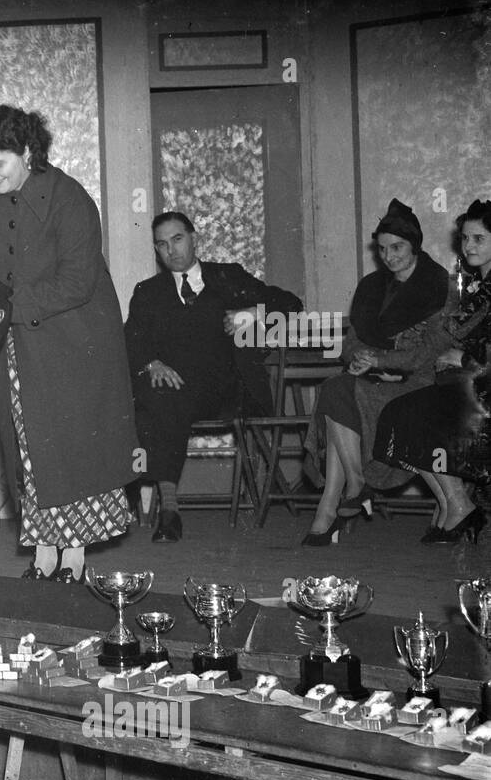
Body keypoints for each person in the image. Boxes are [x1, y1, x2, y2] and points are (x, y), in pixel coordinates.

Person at [0, 104, 136, 579]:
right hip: (15, 346)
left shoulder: (70, 199)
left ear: (28, 153)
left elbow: (77, 283)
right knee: (26, 447)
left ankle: (74, 557)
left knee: (71, 449)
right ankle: (43, 553)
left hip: (75, 345)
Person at [124, 211, 303, 542]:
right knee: (158, 393)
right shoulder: (147, 292)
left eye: (178, 239)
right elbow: (131, 341)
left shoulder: (228, 277)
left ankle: (145, 495)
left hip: (225, 392)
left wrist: (253, 313)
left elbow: (292, 303)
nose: (171, 250)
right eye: (162, 244)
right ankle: (170, 510)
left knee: (156, 404)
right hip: (173, 393)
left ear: (195, 239)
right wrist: (152, 364)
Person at [301, 199, 449, 545]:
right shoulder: (372, 286)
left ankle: (332, 505)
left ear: (415, 245)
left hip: (420, 383)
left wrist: (380, 362)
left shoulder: (437, 285)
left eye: (397, 247)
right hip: (372, 379)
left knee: (339, 394)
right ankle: (353, 485)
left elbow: (432, 351)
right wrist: (358, 359)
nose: (389, 256)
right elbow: (354, 340)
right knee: (338, 386)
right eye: (382, 249)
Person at [375, 198, 491, 544]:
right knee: (401, 411)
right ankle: (451, 502)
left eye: (478, 239)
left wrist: (464, 359)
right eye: (465, 239)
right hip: (470, 383)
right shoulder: (474, 285)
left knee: (410, 413)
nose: (468, 245)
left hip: (483, 388)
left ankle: (457, 505)